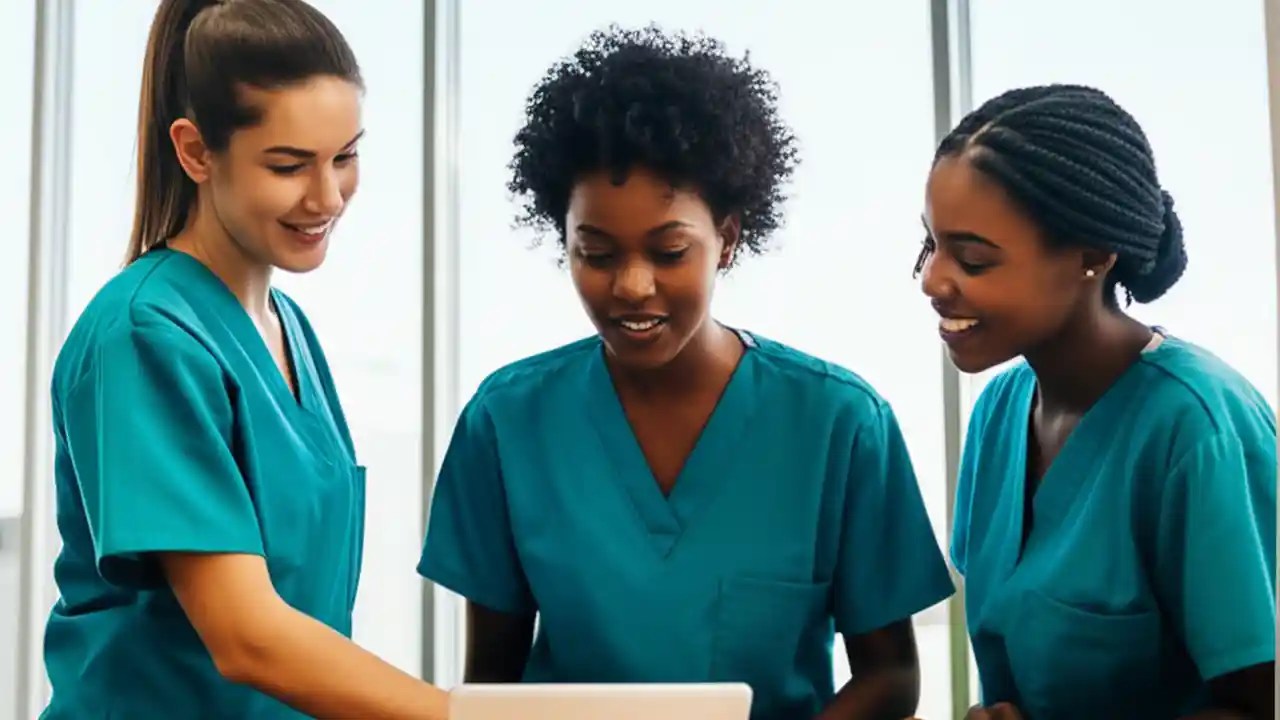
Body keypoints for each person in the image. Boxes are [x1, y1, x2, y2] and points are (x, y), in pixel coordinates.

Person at [419, 25, 954, 720]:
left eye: (669, 252)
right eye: (598, 253)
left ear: (727, 239)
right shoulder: (505, 421)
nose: (632, 286)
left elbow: (892, 680)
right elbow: (491, 682)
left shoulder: (840, 424)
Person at [41, 1, 448, 717]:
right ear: (196, 151)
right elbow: (246, 638)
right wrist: (454, 714)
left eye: (345, 157)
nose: (328, 197)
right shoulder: (145, 335)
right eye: (289, 166)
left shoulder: (288, 329)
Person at [918, 84, 1276, 720]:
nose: (933, 280)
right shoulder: (1000, 412)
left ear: (1091, 257)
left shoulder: (1199, 430)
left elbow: (1260, 705)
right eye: (930, 244)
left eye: (971, 259)